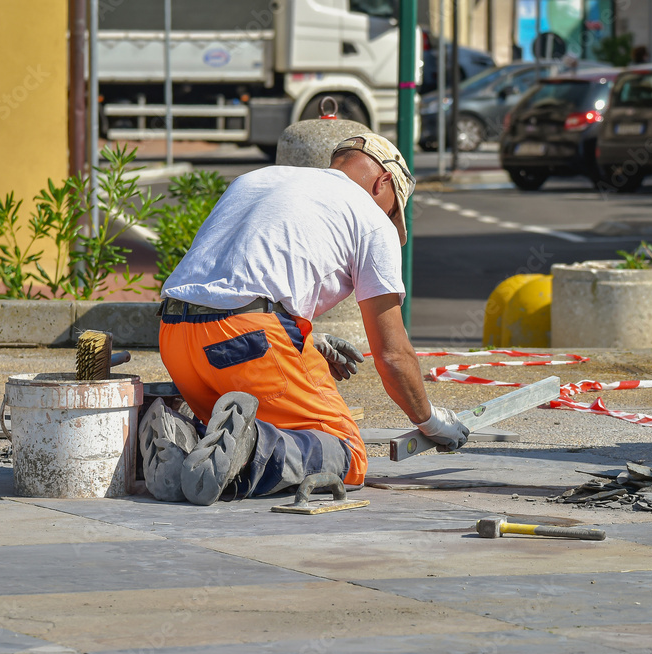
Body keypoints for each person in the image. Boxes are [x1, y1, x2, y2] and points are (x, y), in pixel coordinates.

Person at [147, 133, 470, 505]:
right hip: (247, 342)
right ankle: (250, 455)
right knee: (347, 452)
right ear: (383, 183)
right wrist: (430, 421)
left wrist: (308, 338)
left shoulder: (256, 180)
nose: (388, 218)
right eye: (393, 209)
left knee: (241, 426)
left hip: (175, 336)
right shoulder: (371, 219)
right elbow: (393, 356)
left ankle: (178, 439)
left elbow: (225, 284)